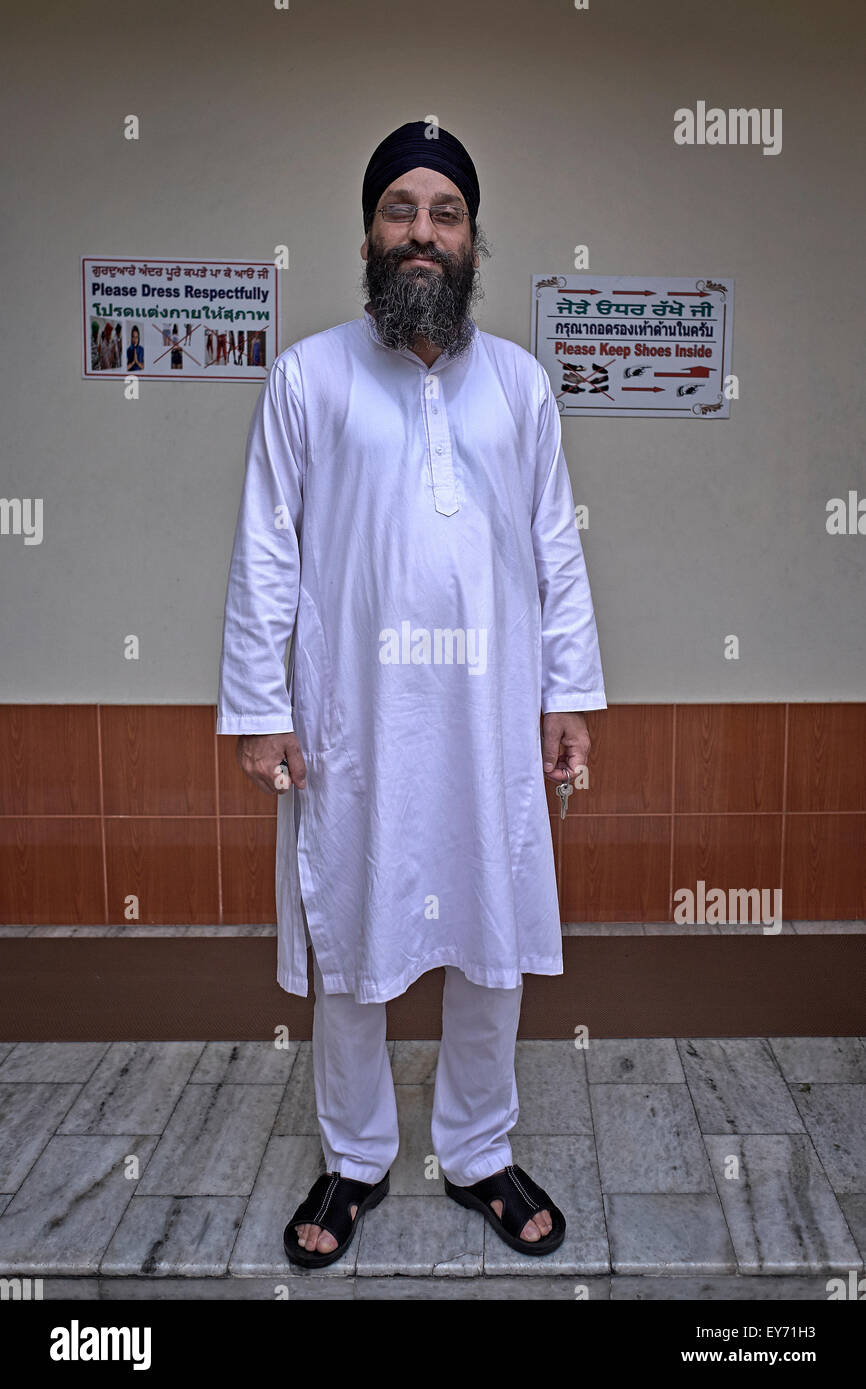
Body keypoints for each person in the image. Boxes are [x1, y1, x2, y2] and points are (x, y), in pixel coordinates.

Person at [216, 120, 607, 1269]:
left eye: (443, 212)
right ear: (370, 233)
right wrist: (259, 709)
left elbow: (554, 554)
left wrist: (567, 695)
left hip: (490, 721)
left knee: (490, 937)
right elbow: (264, 555)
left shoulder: (520, 388)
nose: (421, 233)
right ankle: (355, 1157)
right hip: (353, 723)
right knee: (352, 932)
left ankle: (480, 1151)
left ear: (471, 237)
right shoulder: (310, 376)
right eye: (400, 211)